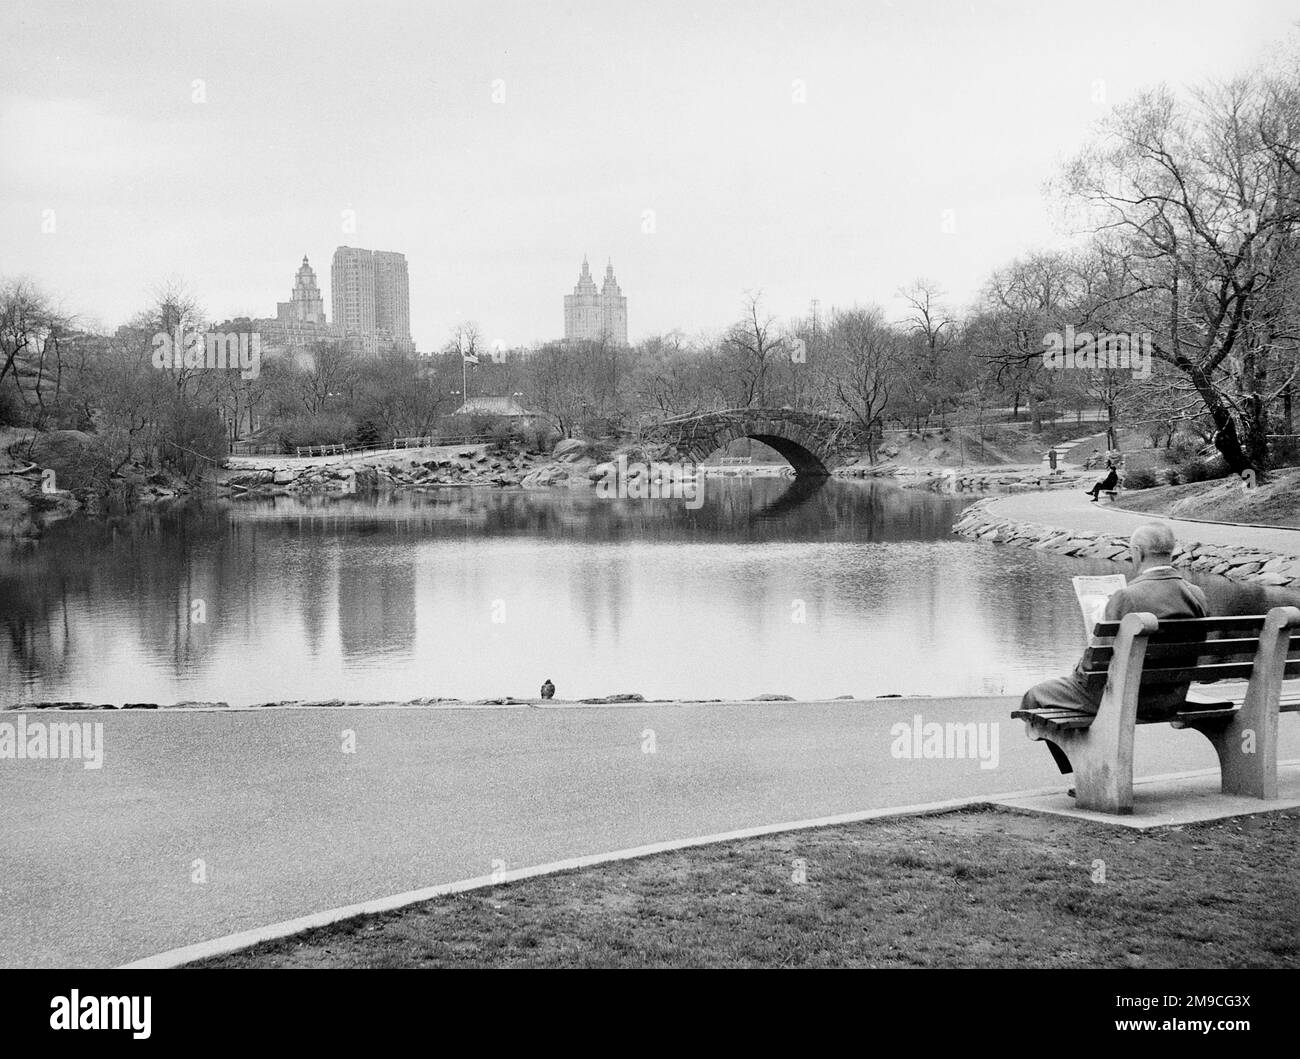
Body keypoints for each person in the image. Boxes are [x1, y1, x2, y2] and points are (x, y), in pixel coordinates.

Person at [1020, 523, 1209, 776]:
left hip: (1126, 697)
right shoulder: (1196, 595)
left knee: (1035, 697)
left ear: (1138, 552)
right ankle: (1089, 769)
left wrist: (1082, 660)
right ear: (1170, 552)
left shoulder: (1126, 597)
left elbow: (1095, 666)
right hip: (1171, 697)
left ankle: (1085, 772)